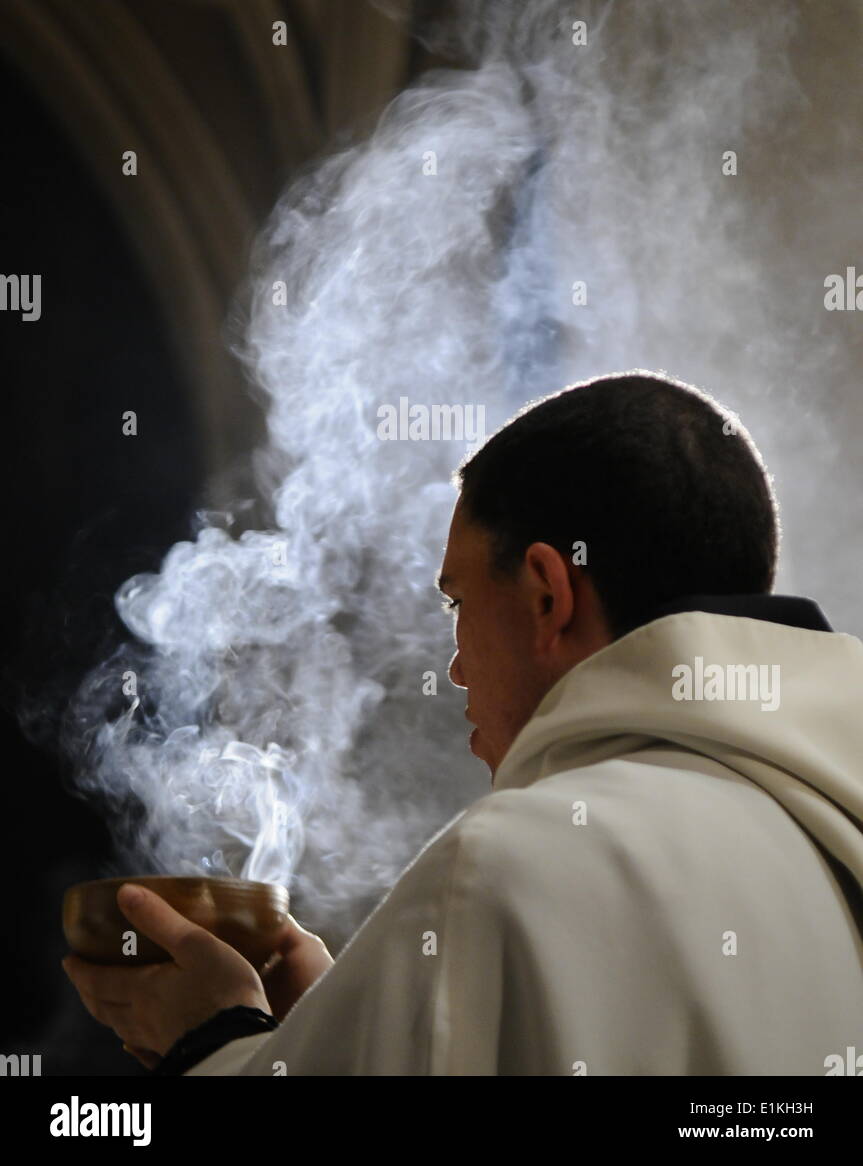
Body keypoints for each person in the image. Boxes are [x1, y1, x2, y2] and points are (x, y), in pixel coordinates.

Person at [64, 370, 863, 1075]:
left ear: (547, 594)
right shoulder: (829, 832)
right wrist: (350, 1029)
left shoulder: (509, 866)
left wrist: (213, 1042)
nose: (454, 668)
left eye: (457, 603)